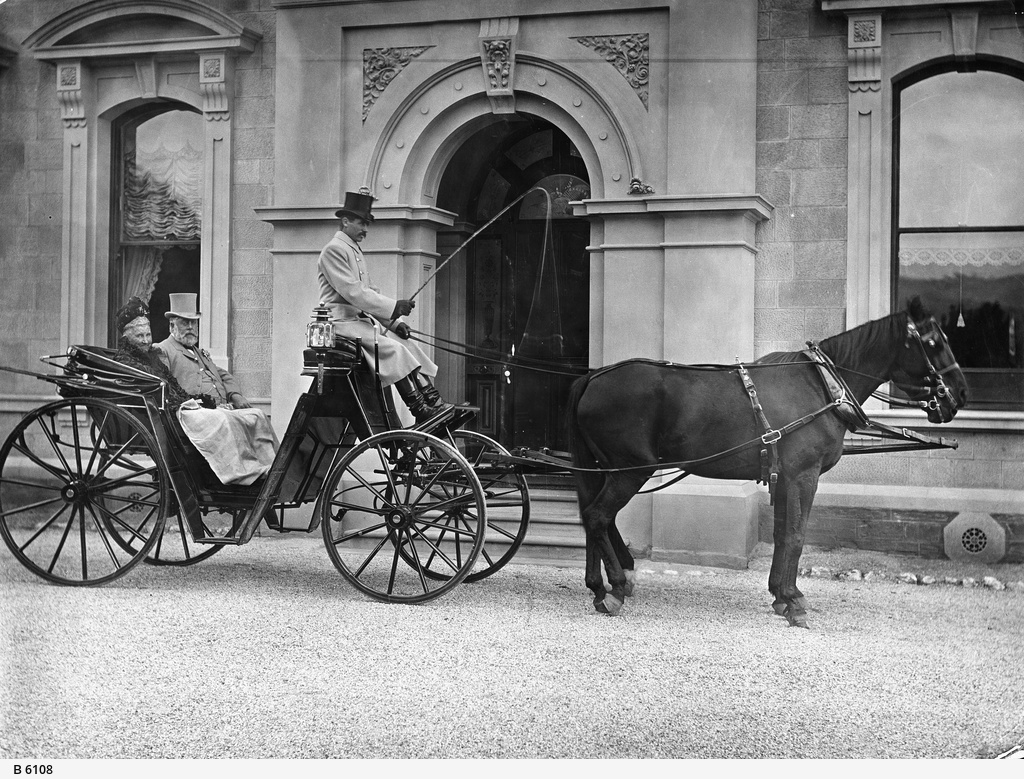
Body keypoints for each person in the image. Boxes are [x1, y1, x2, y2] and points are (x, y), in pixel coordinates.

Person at [317, 187, 453, 423]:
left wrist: (394, 322)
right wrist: (394, 307)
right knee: (394, 350)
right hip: (340, 324)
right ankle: (419, 409)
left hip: (357, 323)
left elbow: (369, 292)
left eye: (367, 223)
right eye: (361, 223)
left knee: (404, 343)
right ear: (345, 221)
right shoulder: (333, 250)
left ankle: (433, 402)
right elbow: (355, 293)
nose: (365, 229)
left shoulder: (352, 250)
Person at [150, 293, 279, 486]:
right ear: (172, 326)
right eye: (185, 323)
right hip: (192, 414)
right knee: (226, 421)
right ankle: (245, 475)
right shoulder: (163, 350)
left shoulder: (199, 353)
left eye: (194, 323)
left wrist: (235, 395)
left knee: (257, 415)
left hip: (218, 409)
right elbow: (163, 385)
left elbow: (223, 375)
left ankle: (273, 467)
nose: (191, 328)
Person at [113, 295, 217, 412]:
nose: (146, 341)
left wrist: (195, 401)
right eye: (139, 336)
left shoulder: (153, 357)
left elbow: (174, 387)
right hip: (163, 413)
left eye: (148, 335)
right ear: (127, 339)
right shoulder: (126, 362)